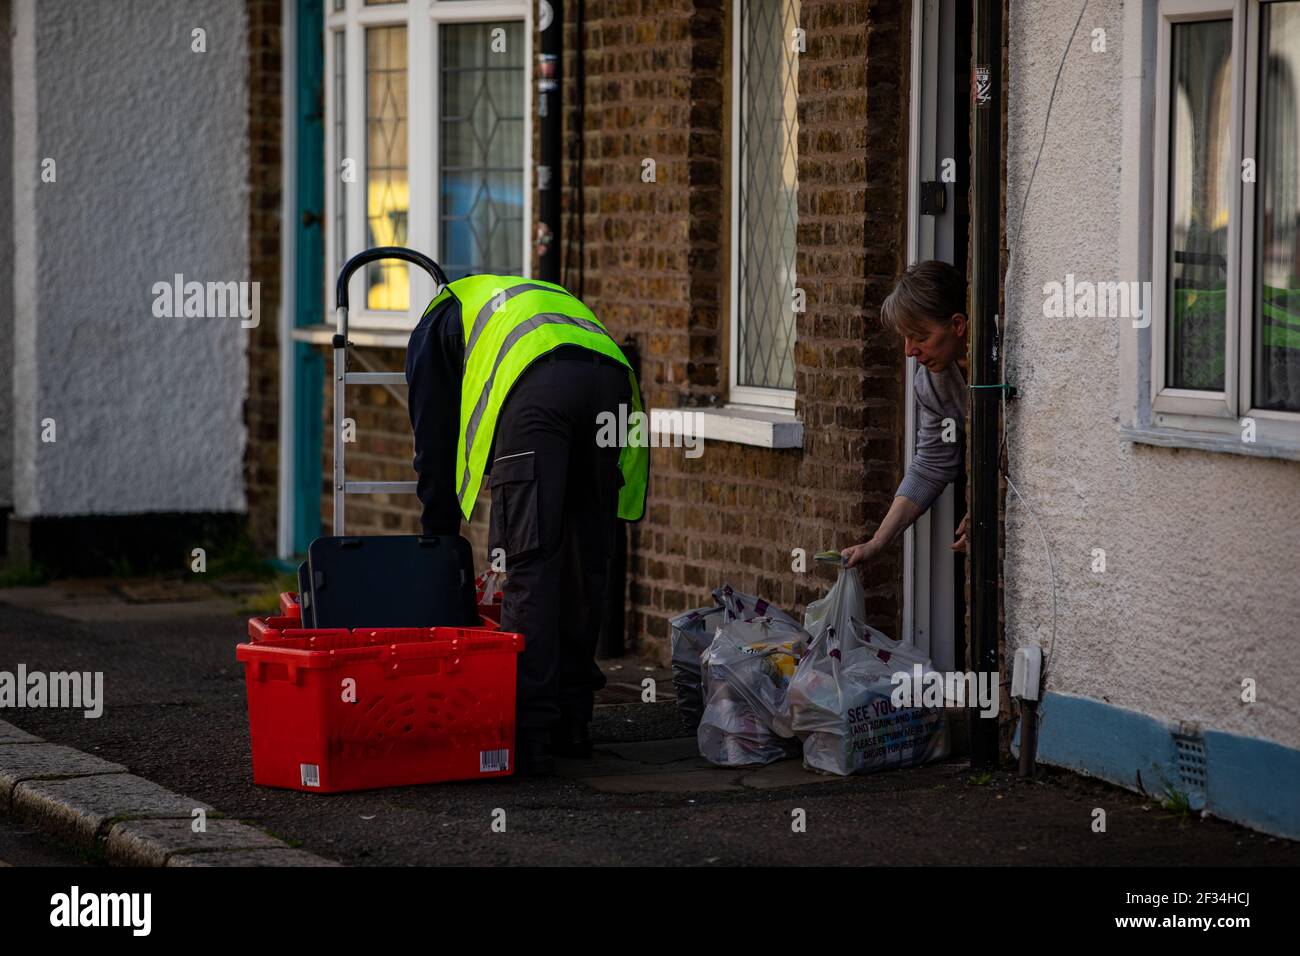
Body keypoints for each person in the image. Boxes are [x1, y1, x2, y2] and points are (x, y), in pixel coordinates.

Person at [405, 274, 648, 777]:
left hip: (541, 391)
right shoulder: (509, 301)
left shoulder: (433, 328)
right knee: (586, 559)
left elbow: (434, 447)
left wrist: (441, 544)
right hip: (612, 383)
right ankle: (573, 723)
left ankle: (528, 731)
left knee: (529, 561)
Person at [842, 260, 969, 568]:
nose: (909, 351)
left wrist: (989, 507)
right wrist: (876, 543)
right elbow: (931, 465)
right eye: (905, 337)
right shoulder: (932, 383)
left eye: (920, 337)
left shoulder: (1006, 364)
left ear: (958, 325)